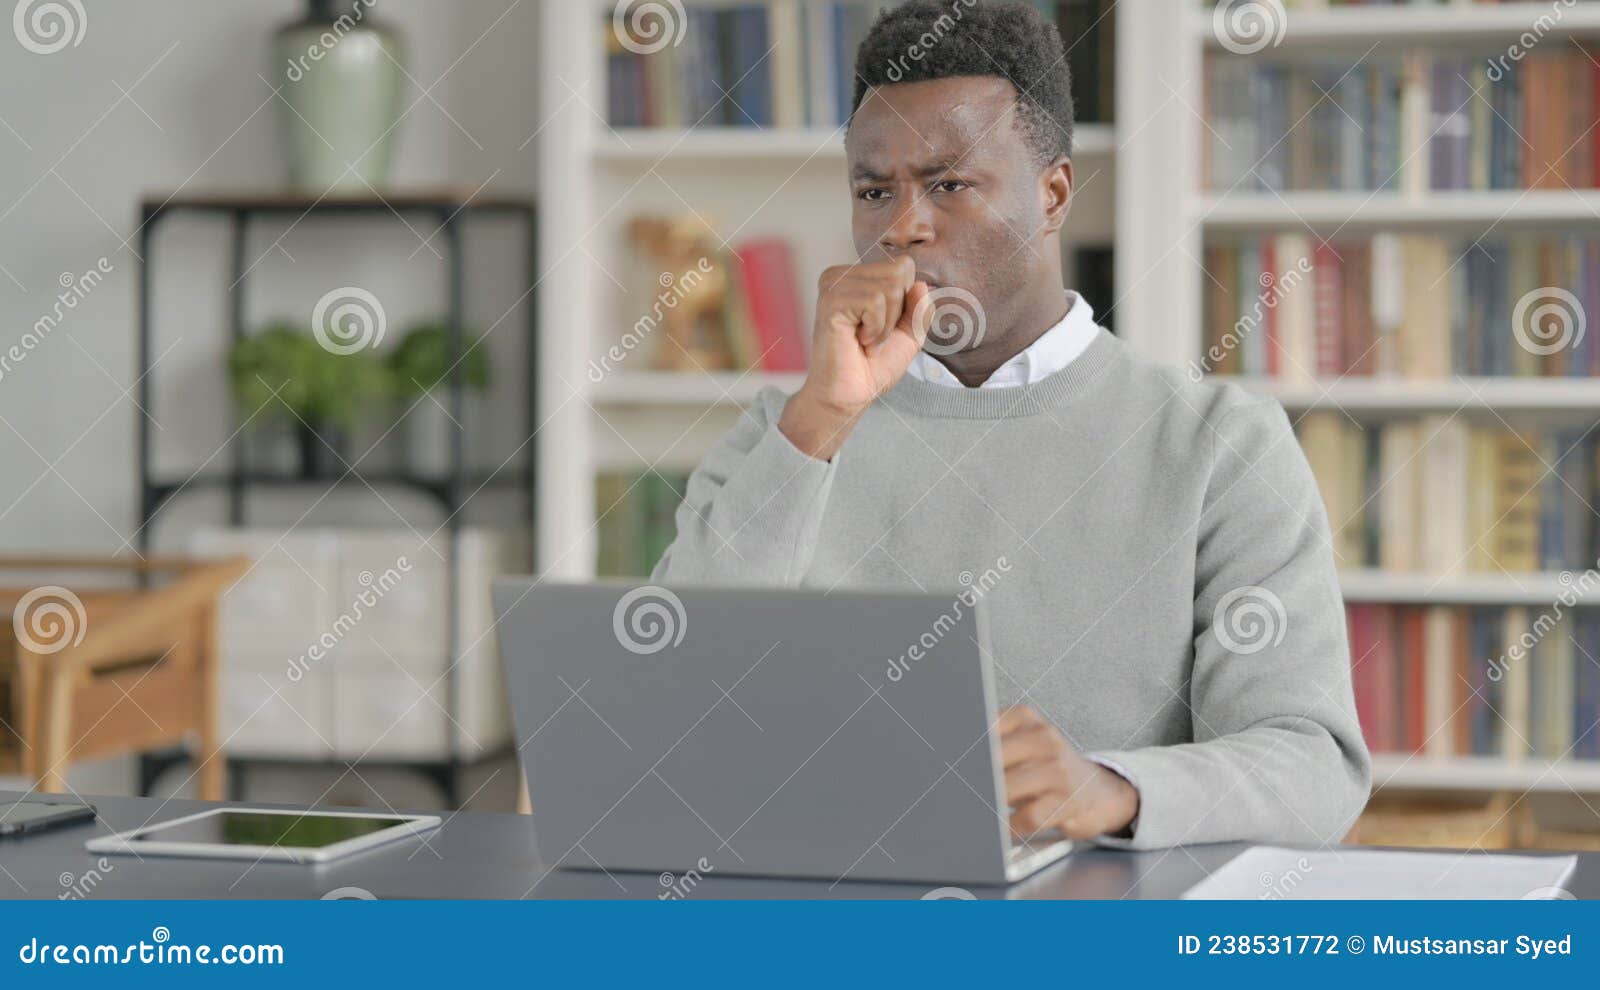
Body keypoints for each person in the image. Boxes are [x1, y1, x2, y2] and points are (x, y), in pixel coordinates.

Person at [651, 0, 1370, 850]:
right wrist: (824, 420)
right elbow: (668, 701)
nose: (902, 226)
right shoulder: (786, 431)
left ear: (1054, 193)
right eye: (874, 190)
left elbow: (1313, 764)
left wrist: (1108, 789)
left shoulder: (1217, 441)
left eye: (949, 184)